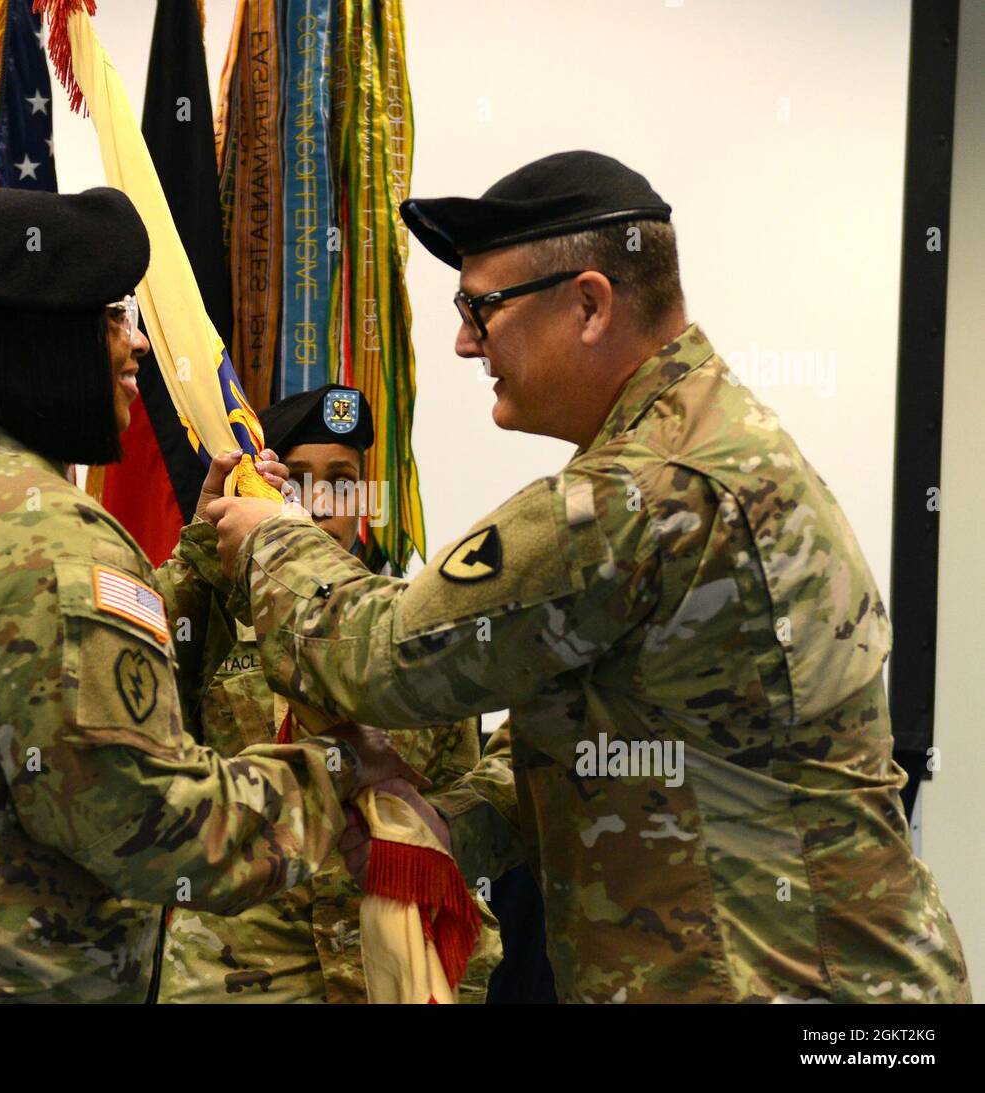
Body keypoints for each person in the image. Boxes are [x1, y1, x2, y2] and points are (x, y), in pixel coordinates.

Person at [207, 151, 973, 1004]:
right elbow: (593, 741)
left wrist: (269, 536)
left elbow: (382, 657)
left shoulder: (641, 492)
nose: (465, 340)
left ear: (589, 303)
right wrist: (447, 825)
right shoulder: (709, 437)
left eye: (480, 307)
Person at [0, 186, 418, 1004]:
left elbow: (54, 693)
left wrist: (201, 550)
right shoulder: (48, 538)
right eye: (109, 318)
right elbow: (148, 826)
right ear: (39, 343)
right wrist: (338, 768)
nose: (135, 345)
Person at [157, 384, 502, 1003]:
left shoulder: (413, 629)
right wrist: (204, 550)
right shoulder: (213, 609)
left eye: (341, 481)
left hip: (385, 969)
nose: (320, 503)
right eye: (296, 481)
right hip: (240, 973)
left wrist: (465, 975)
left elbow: (454, 818)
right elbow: (133, 686)